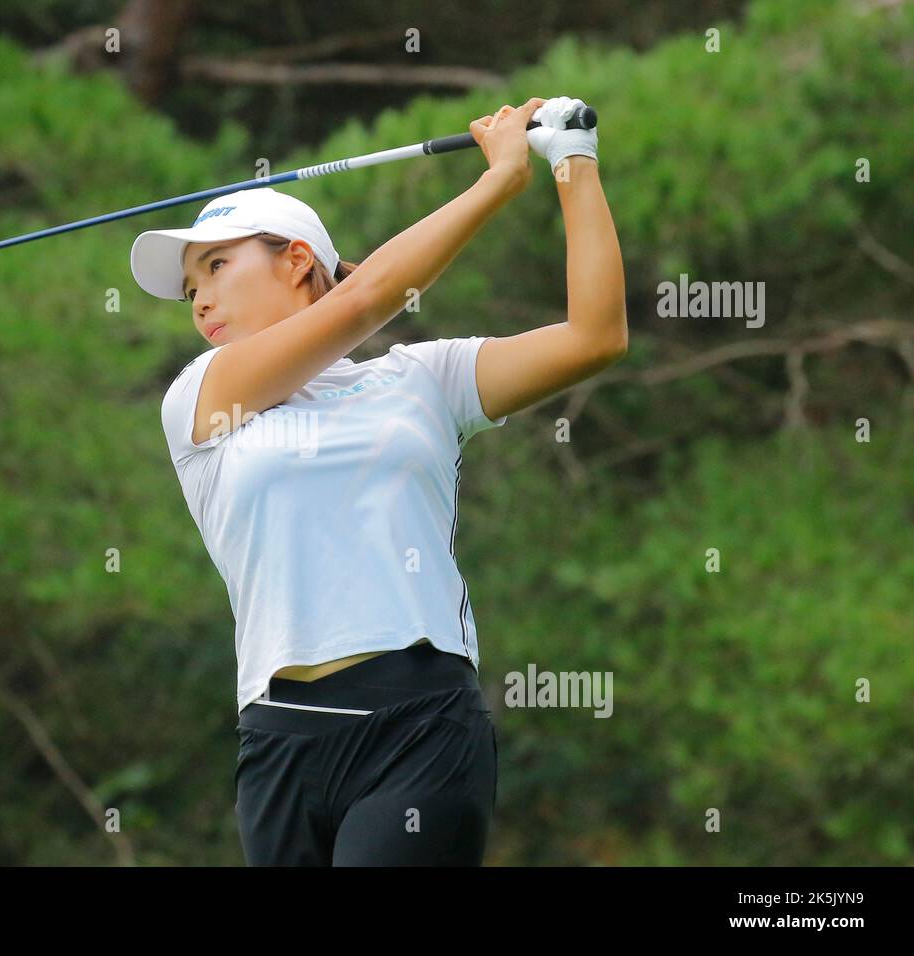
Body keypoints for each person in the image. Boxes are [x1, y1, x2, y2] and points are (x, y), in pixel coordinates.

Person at [130, 97, 626, 865]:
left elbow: (594, 336)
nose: (199, 298)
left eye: (217, 266)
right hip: (278, 743)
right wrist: (493, 181)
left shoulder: (426, 378)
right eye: (191, 285)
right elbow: (365, 298)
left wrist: (573, 163)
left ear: (296, 260)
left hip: (420, 724)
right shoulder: (202, 397)